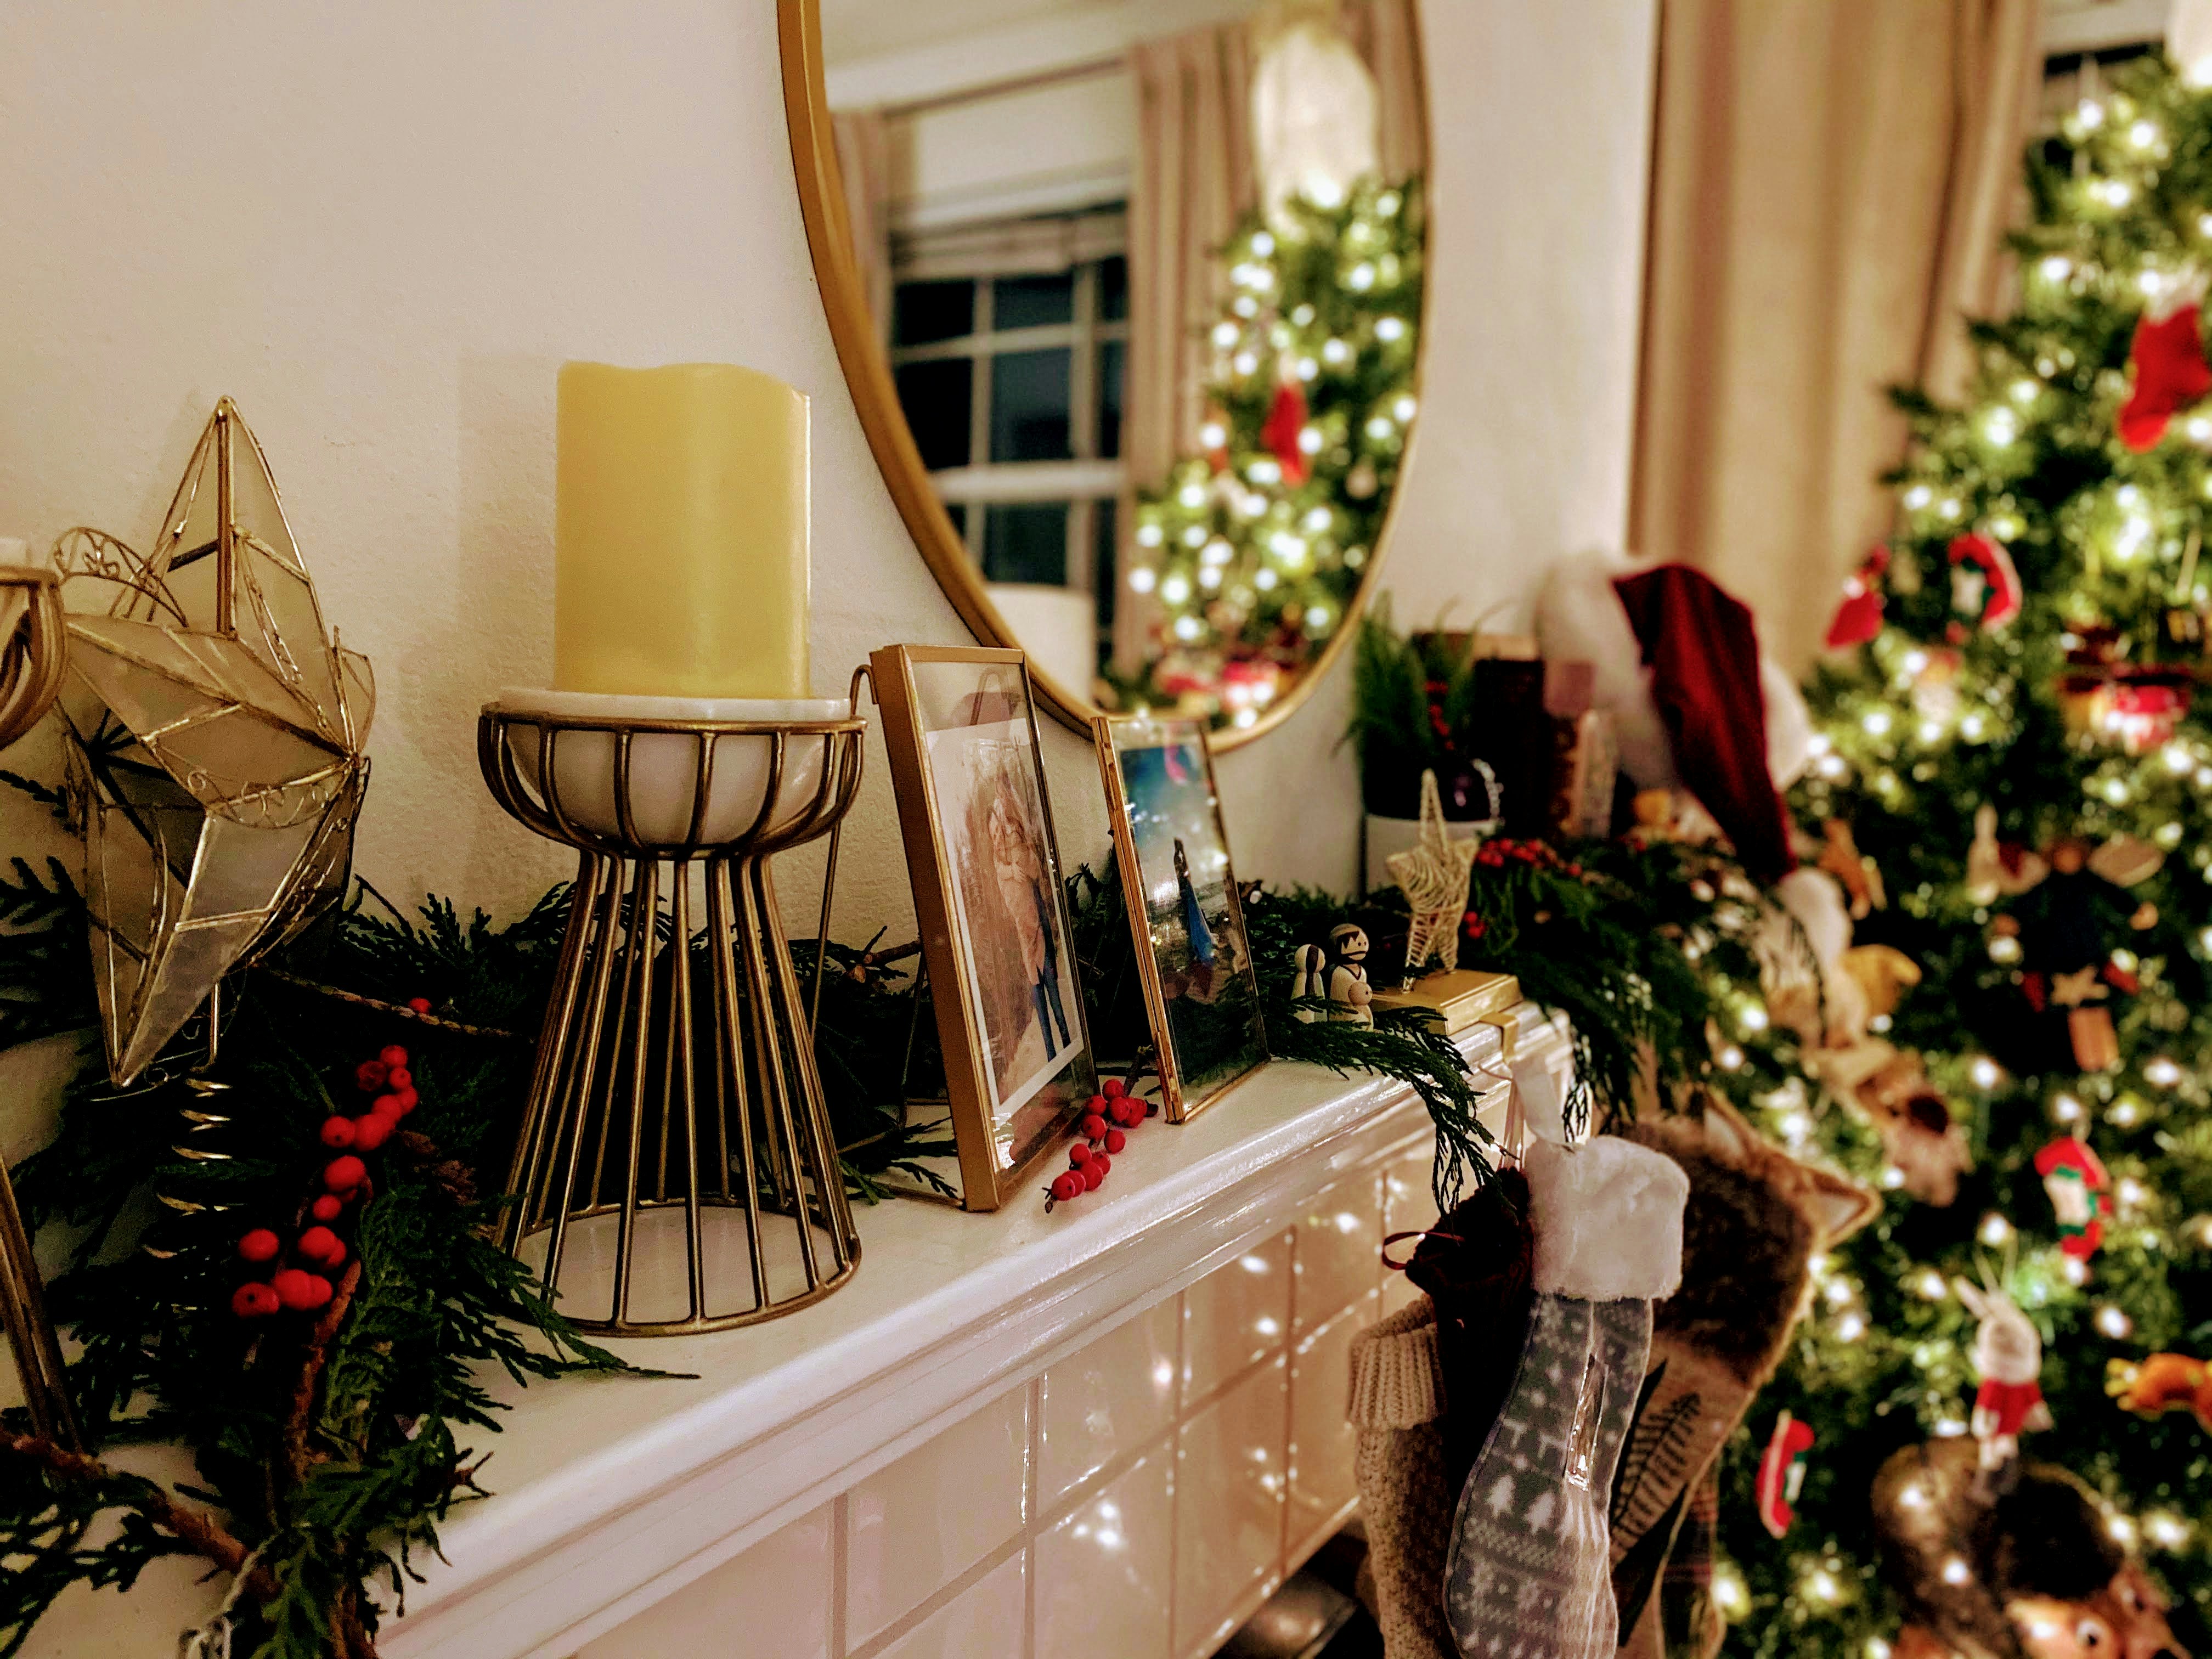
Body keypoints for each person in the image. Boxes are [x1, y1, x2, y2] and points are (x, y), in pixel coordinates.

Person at [989, 769, 1070, 1056]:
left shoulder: (1017, 812)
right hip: (1019, 898)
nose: (1005, 790)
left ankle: (1067, 1042)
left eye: (1007, 785)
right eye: (1001, 785)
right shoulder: (997, 818)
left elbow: (1034, 856)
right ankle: (1052, 1050)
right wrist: (1013, 870)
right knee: (1035, 972)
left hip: (1035, 899)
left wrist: (1030, 866)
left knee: (1050, 973)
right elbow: (998, 863)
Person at [1173, 837, 1218, 998]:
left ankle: (1181, 852)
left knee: (1188, 892)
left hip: (1201, 945)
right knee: (1189, 894)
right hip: (1201, 945)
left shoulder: (1205, 966)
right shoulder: (1205, 961)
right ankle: (1181, 852)